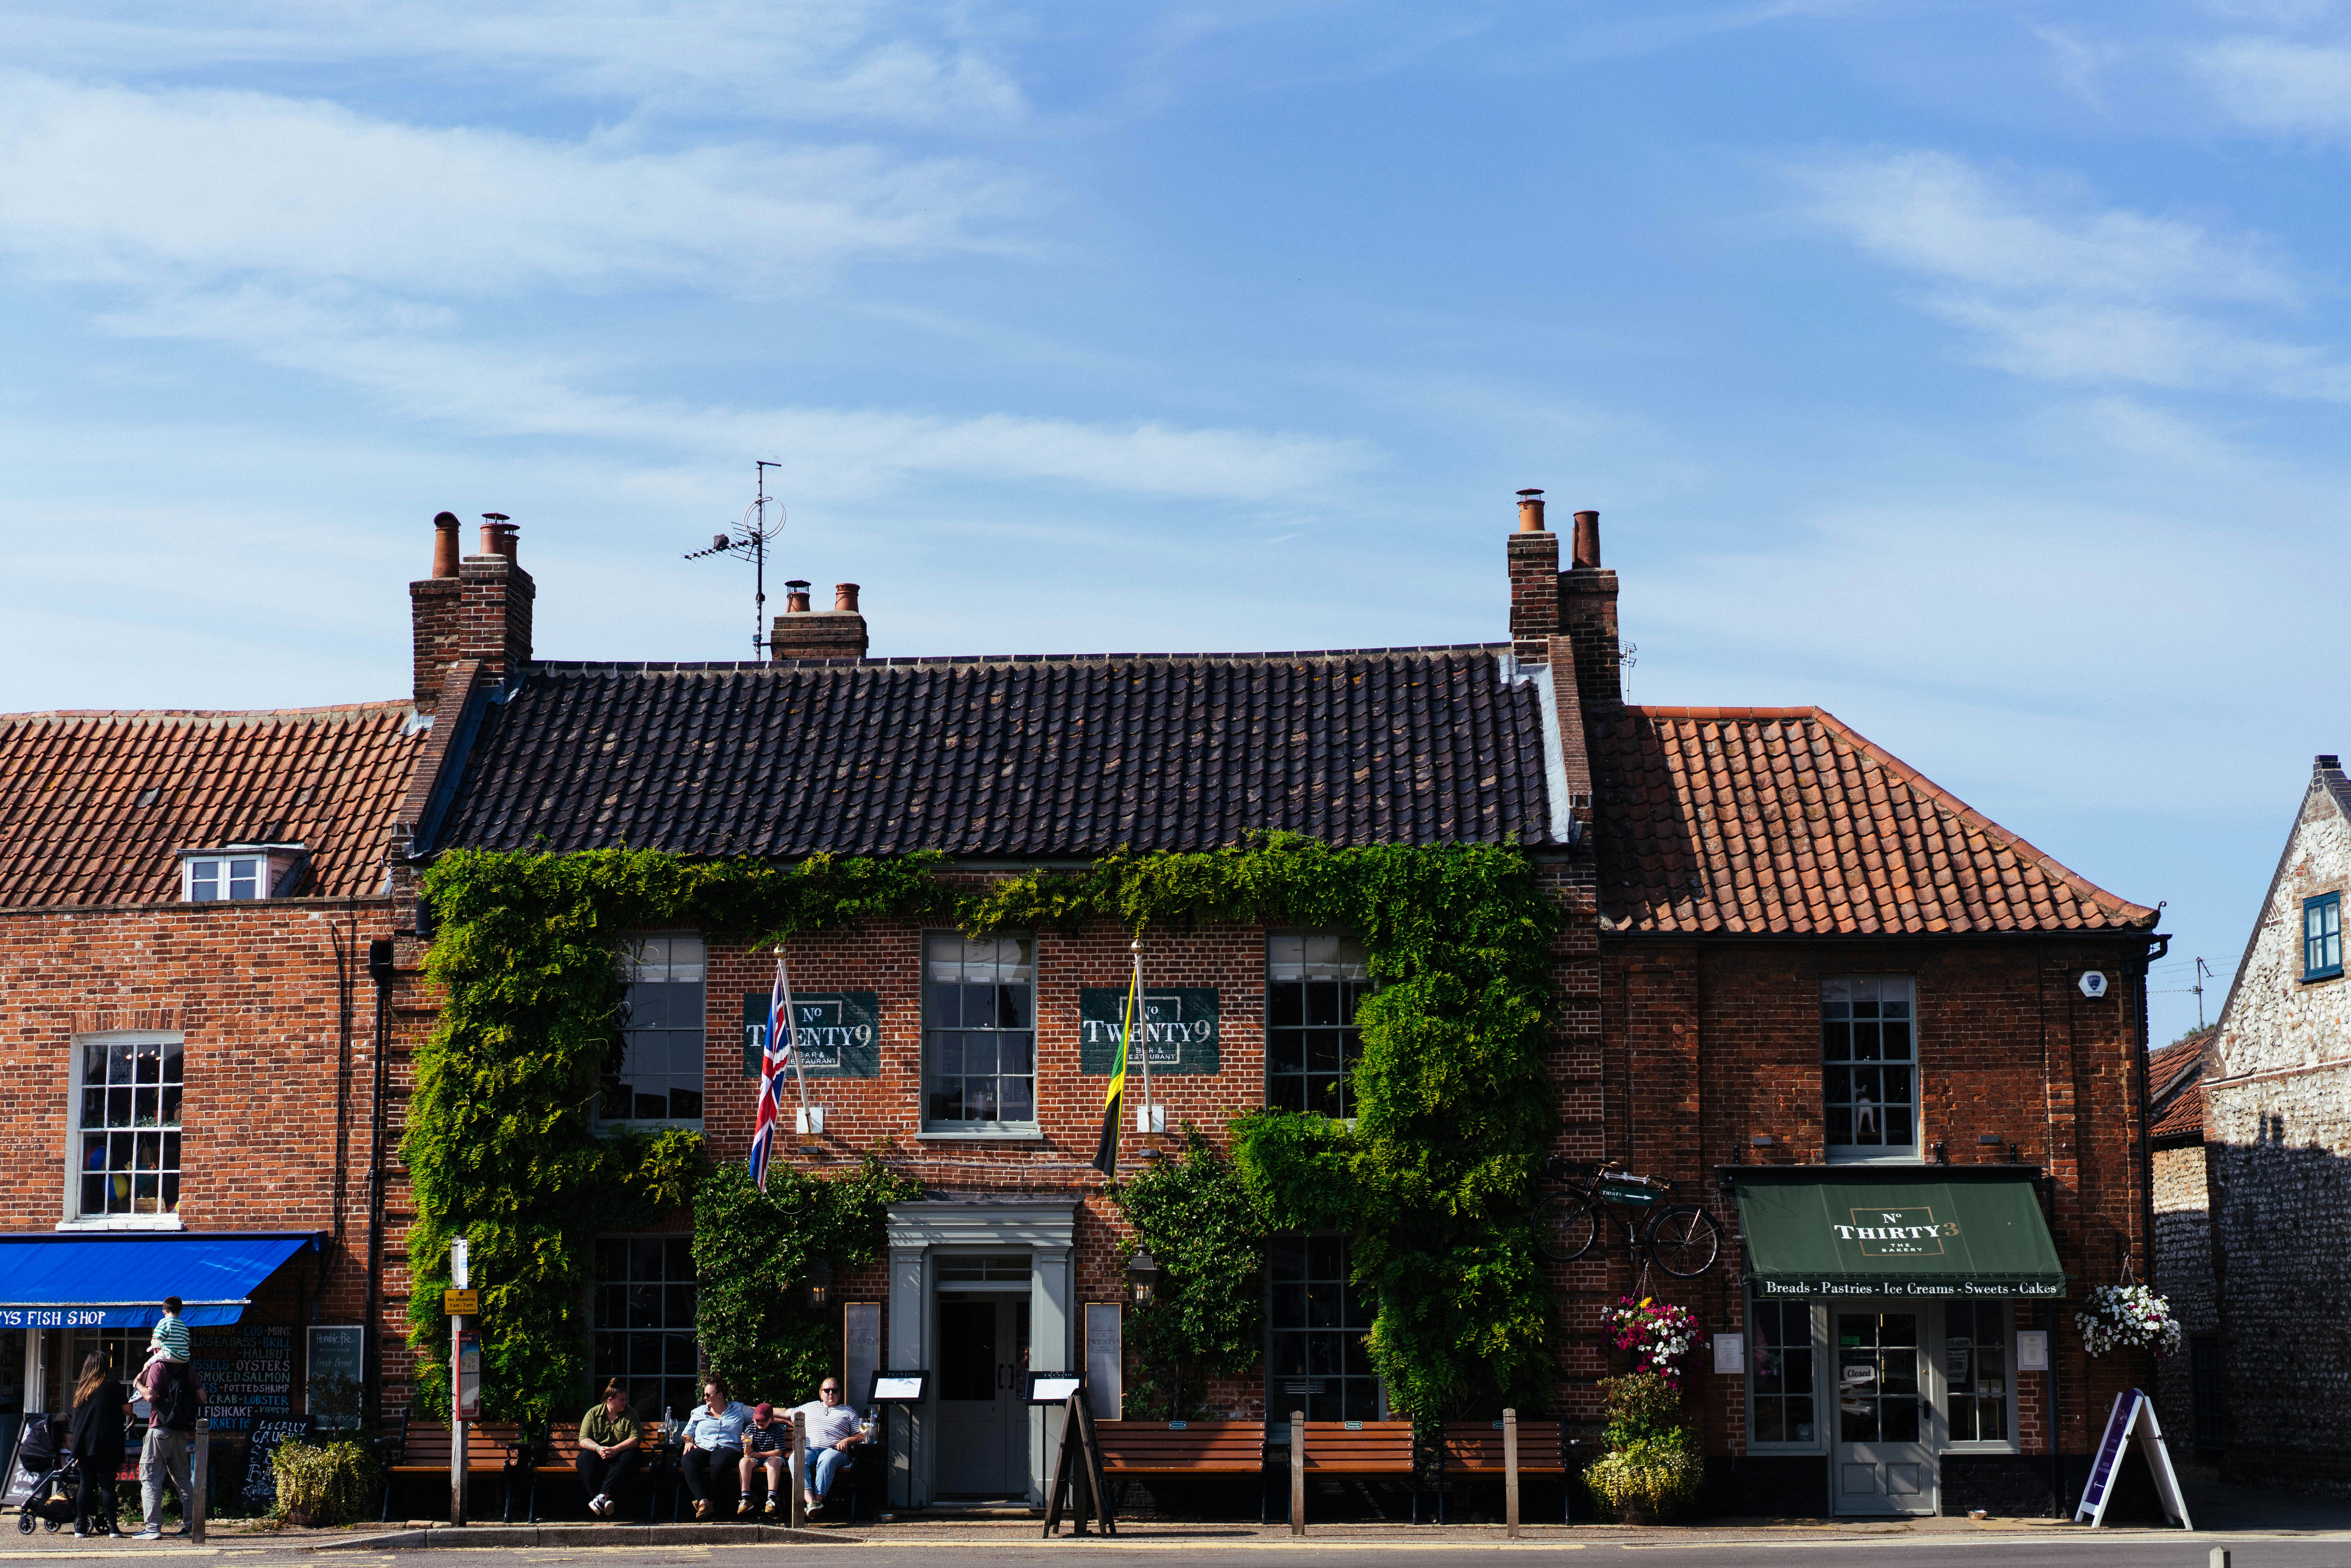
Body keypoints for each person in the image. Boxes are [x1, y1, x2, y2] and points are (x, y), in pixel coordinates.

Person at [132, 1350, 203, 1540]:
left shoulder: (159, 1368)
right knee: (183, 1480)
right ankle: (191, 1526)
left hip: (160, 1430)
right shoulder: (188, 1370)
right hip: (181, 1433)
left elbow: (150, 1396)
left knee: (151, 1479)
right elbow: (203, 1397)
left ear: (159, 1350)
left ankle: (153, 1528)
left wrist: (138, 1384)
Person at [66, 1352, 128, 1538]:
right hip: (107, 1442)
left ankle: (81, 1529)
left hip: (84, 1442)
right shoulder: (112, 1385)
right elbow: (127, 1410)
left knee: (86, 1484)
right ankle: (113, 1529)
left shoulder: (82, 1388)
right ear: (104, 1367)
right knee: (108, 1484)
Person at [787, 1376, 865, 1516]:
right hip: (809, 1451)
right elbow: (785, 1413)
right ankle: (812, 1502)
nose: (831, 1394)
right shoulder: (809, 1407)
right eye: (827, 1390)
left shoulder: (848, 1411)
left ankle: (816, 1501)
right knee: (796, 1458)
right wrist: (756, 1411)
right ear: (821, 1394)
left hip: (834, 1451)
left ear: (840, 1394)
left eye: (835, 1391)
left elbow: (860, 1435)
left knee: (827, 1458)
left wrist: (847, 1441)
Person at [678, 1379, 750, 1521]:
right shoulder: (700, 1412)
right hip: (703, 1446)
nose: (705, 1398)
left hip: (727, 1448)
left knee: (720, 1464)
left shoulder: (739, 1409)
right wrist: (688, 1442)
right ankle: (704, 1501)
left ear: (720, 1396)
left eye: (708, 1395)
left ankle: (707, 1504)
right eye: (704, 1395)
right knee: (688, 1460)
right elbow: (687, 1433)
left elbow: (760, 1418)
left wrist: (786, 1419)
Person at [575, 1381, 641, 1519]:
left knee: (633, 1456)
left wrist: (616, 1450)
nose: (626, 1402)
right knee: (584, 1458)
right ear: (610, 1401)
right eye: (622, 1399)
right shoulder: (593, 1414)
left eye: (626, 1399)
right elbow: (583, 1439)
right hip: (600, 1456)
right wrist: (598, 1448)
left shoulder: (631, 1414)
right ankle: (602, 1500)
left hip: (621, 1455)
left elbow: (635, 1439)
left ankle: (600, 1499)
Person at [738, 1404, 788, 1516]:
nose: (759, 1423)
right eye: (757, 1420)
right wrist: (748, 1443)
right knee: (744, 1462)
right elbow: (747, 1453)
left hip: (772, 1457)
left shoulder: (777, 1429)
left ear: (772, 1419)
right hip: (755, 1458)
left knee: (774, 1463)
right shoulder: (750, 1429)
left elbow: (779, 1452)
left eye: (763, 1420)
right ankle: (746, 1499)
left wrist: (757, 1455)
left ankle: (771, 1499)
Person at [147, 1298, 190, 1365]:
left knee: (148, 1364)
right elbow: (187, 1341)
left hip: (170, 1354)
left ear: (164, 1312)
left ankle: (141, 1375)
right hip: (185, 1357)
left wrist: (156, 1336)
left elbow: (159, 1335)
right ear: (180, 1311)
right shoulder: (183, 1325)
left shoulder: (165, 1321)